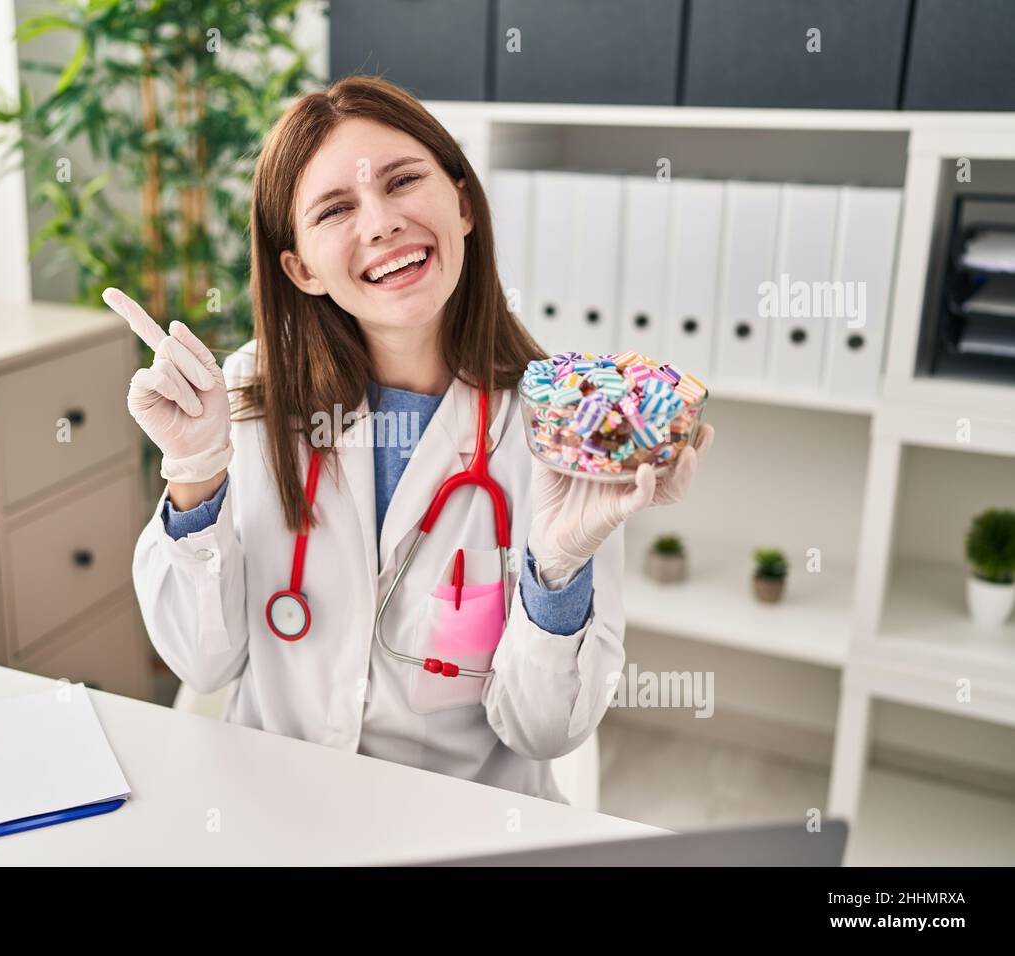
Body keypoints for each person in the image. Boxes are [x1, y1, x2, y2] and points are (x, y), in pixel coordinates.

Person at [109, 75, 714, 803]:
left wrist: (556, 569)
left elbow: (542, 732)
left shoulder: (561, 426)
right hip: (278, 809)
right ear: (300, 268)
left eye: (403, 181)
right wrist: (196, 468)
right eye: (335, 209)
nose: (381, 222)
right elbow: (203, 666)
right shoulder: (244, 395)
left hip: (463, 825)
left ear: (461, 203)